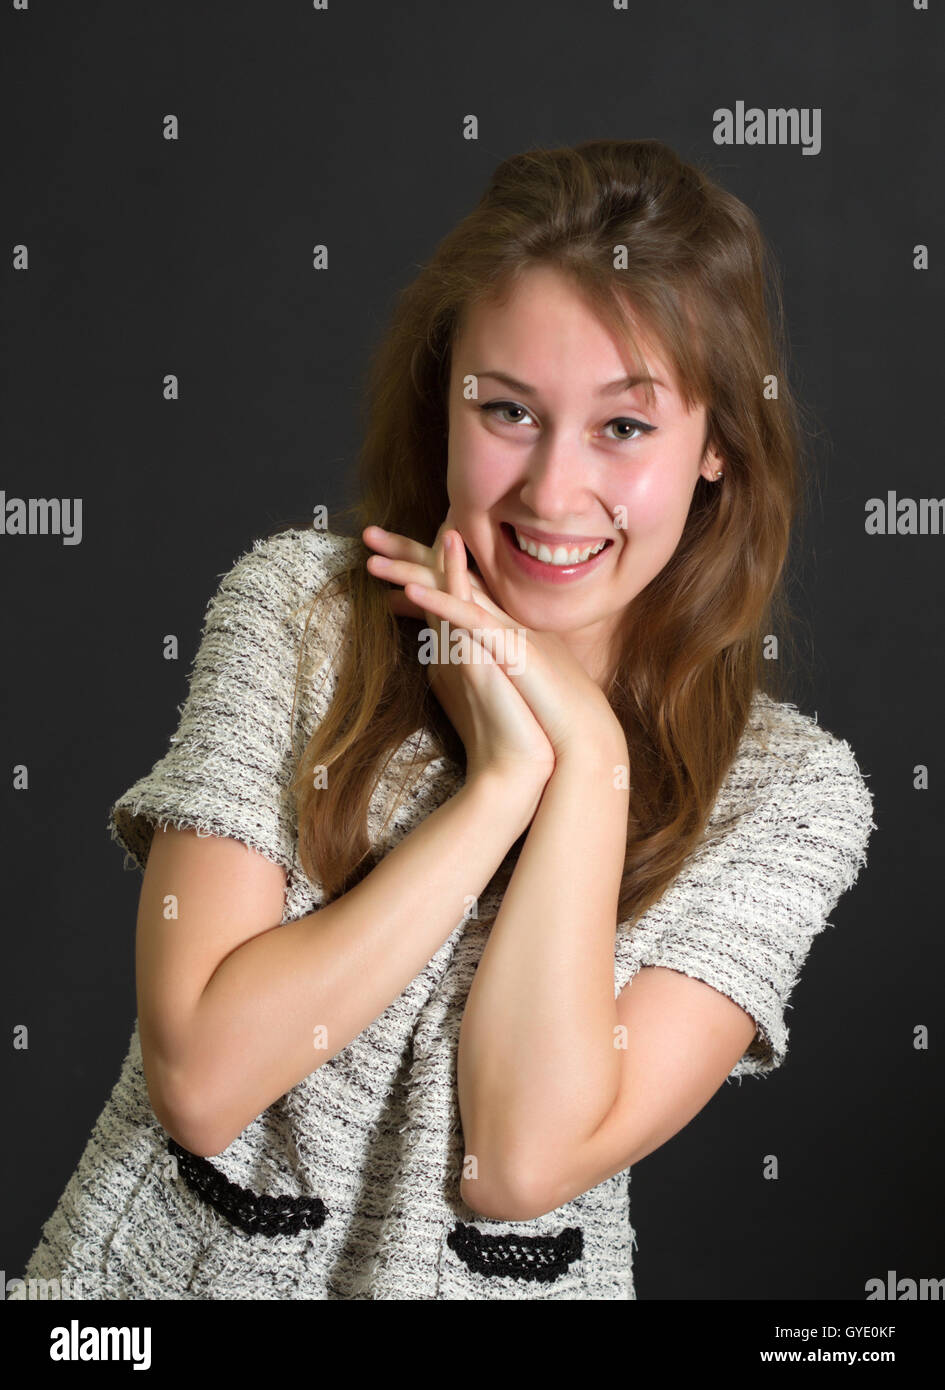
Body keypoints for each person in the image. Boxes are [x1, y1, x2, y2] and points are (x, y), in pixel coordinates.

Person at [11, 138, 876, 1301]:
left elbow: (517, 1163)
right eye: (509, 411)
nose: (554, 492)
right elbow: (206, 1081)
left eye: (624, 428)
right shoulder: (302, 615)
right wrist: (499, 789)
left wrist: (593, 764)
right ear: (445, 400)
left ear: (718, 443)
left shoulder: (794, 797)